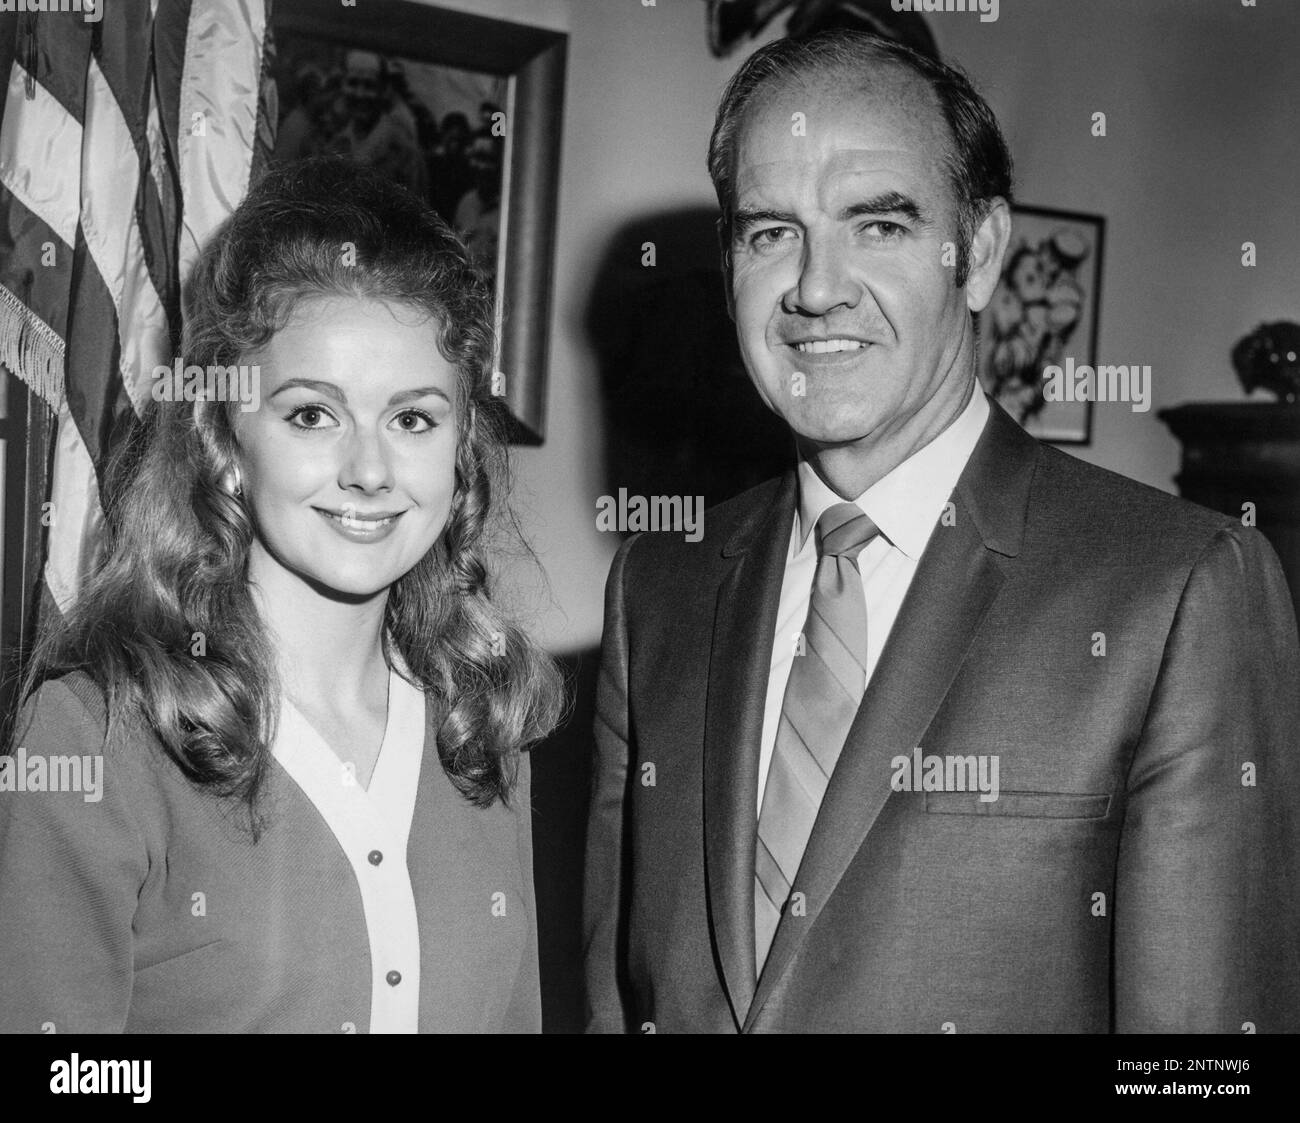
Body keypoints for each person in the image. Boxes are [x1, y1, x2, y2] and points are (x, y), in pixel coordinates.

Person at [582, 30, 1300, 1033]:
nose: (816, 288)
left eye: (876, 225)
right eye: (769, 232)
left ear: (981, 253)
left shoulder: (1177, 591)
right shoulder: (656, 587)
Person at [0, 157, 562, 1033]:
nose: (369, 470)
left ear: (460, 452)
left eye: (413, 418)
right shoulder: (96, 733)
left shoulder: (480, 724)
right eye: (312, 414)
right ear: (226, 439)